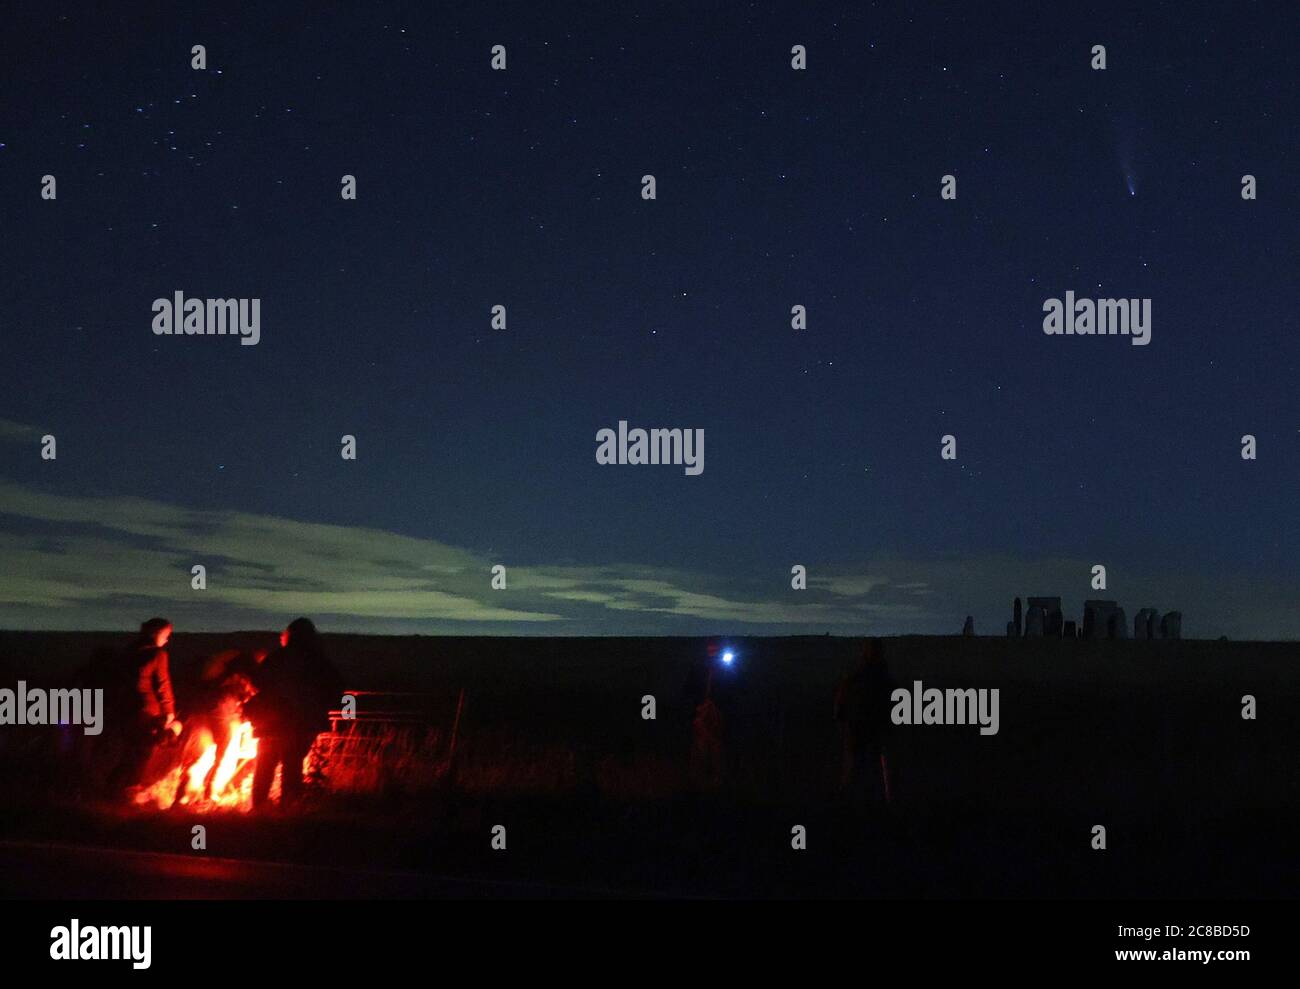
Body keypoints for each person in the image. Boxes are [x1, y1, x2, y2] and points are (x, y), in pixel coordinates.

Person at [246, 618, 343, 809]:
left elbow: (258, 681)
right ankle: (289, 807)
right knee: (293, 764)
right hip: (303, 722)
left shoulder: (278, 657)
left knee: (265, 763)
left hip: (273, 720)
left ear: (289, 635)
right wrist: (321, 706)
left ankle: (259, 807)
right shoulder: (318, 661)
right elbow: (336, 686)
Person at [108, 617, 181, 793]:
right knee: (143, 751)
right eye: (166, 635)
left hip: (126, 707)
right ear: (157, 634)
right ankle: (130, 790)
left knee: (128, 750)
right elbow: (164, 685)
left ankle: (113, 787)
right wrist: (169, 711)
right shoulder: (158, 655)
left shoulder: (129, 651)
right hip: (147, 709)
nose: (167, 639)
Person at [834, 638, 895, 806]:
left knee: (856, 768)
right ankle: (879, 802)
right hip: (868, 728)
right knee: (871, 768)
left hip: (861, 727)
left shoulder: (855, 678)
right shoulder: (883, 679)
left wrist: (841, 719)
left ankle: (849, 802)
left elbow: (841, 703)